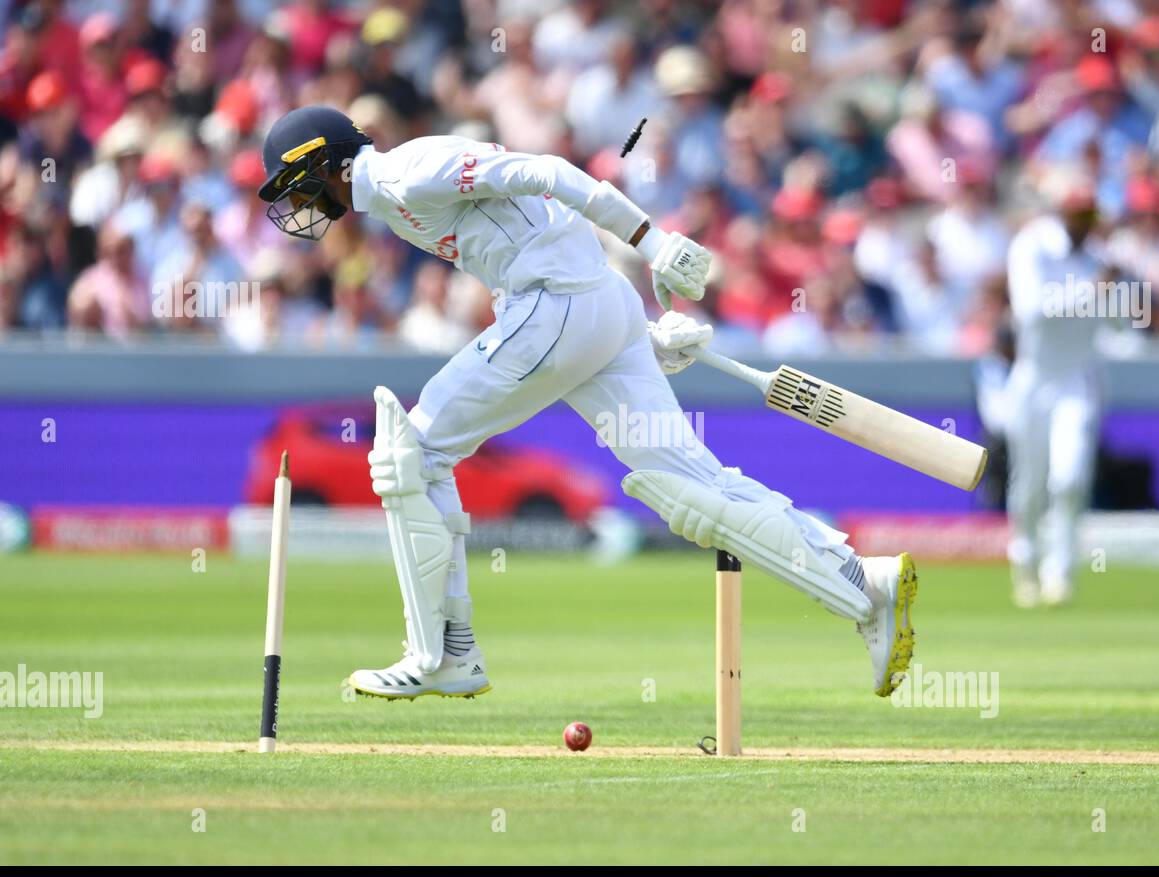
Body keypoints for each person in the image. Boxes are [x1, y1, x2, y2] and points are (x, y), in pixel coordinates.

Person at [257, 105, 919, 701]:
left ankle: (442, 655)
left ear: (324, 161)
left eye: (297, 184)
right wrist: (622, 323)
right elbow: (540, 226)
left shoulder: (406, 171)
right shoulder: (387, 200)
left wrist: (652, 244)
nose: (297, 203)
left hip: (558, 301)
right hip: (587, 303)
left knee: (413, 449)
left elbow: (546, 172)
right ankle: (866, 586)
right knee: (692, 488)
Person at [1003, 175, 1108, 608]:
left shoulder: (1101, 258)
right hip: (1033, 379)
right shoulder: (1031, 247)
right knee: (1029, 483)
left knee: (1069, 478)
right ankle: (1025, 566)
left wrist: (1118, 294)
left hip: (1076, 382)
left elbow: (1118, 322)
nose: (1082, 223)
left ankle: (1059, 573)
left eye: (1089, 215)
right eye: (1075, 214)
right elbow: (1030, 311)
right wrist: (1092, 292)